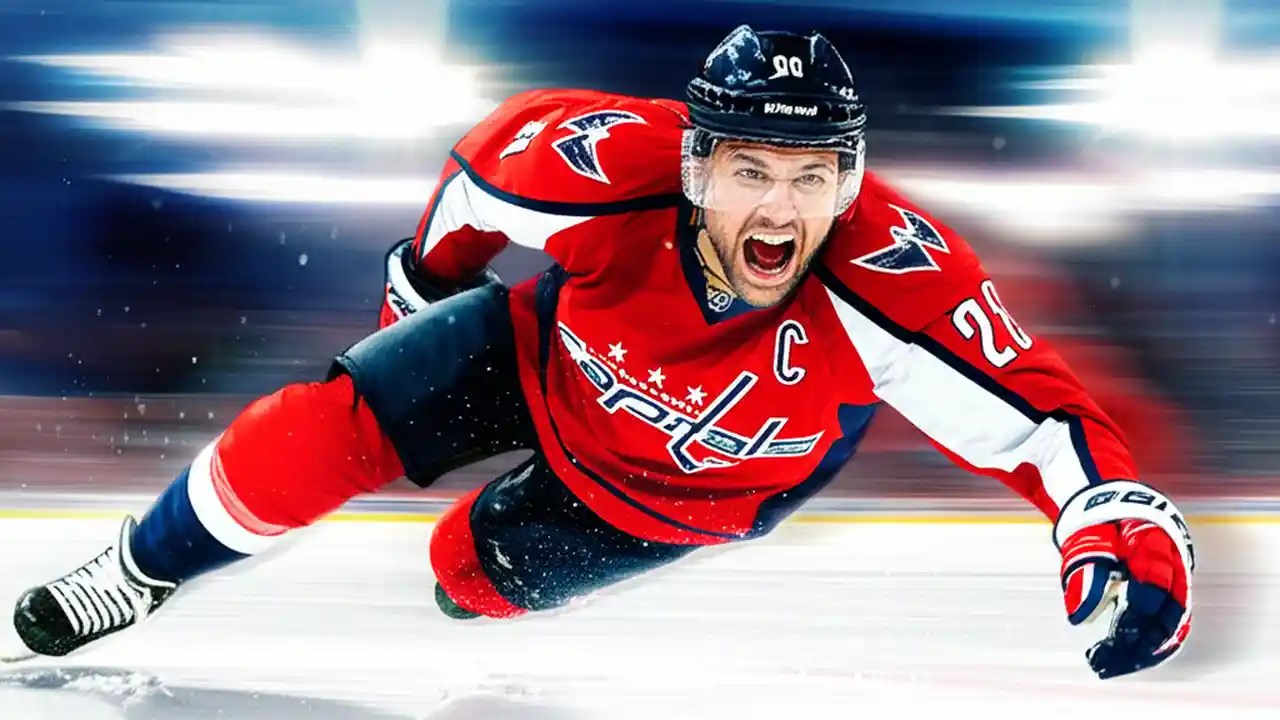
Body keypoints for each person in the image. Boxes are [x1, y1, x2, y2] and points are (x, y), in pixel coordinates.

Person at [12, 25, 1193, 680]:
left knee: (462, 584)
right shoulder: (591, 164)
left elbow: (1047, 428)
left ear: (847, 178)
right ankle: (141, 566)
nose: (779, 208)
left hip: (685, 492)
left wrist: (1125, 539)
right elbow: (478, 178)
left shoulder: (899, 277)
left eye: (811, 175)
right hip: (544, 356)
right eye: (747, 170)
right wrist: (422, 295)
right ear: (690, 165)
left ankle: (477, 576)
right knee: (322, 427)